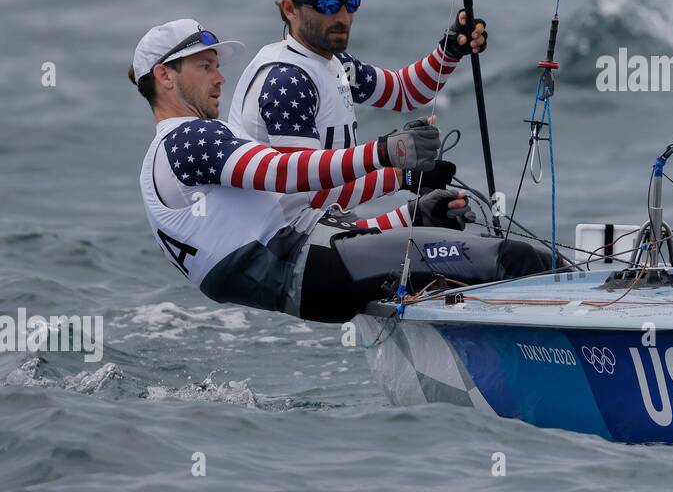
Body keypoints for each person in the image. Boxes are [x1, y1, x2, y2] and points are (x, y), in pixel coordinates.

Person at [132, 19, 548, 323]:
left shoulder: (188, 150)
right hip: (311, 271)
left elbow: (303, 212)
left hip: (312, 273)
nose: (220, 76)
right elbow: (285, 174)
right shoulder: (186, 142)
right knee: (513, 258)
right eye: (205, 66)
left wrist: (410, 212)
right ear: (164, 76)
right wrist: (385, 153)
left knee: (460, 261)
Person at [227, 0, 487, 227]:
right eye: (327, 5)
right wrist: (400, 177)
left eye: (351, 3)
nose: (342, 17)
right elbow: (308, 191)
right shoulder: (287, 82)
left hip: (321, 226)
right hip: (279, 244)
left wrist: (449, 51)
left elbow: (403, 92)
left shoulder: (335, 62)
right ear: (290, 9)